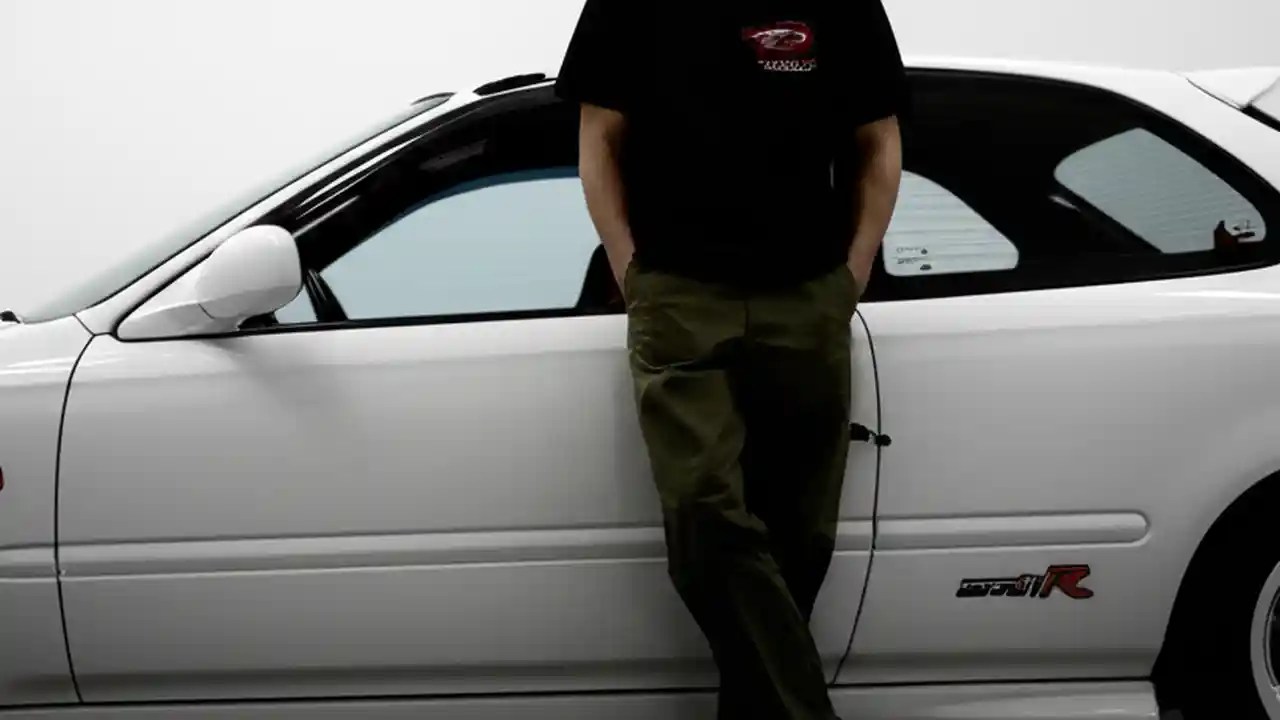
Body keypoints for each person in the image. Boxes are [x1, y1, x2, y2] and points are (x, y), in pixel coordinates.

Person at [556, 2, 907, 718]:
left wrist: (851, 275)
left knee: (798, 538)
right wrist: (636, 275)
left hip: (808, 297)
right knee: (705, 515)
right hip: (680, 298)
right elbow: (600, 139)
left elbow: (879, 141)